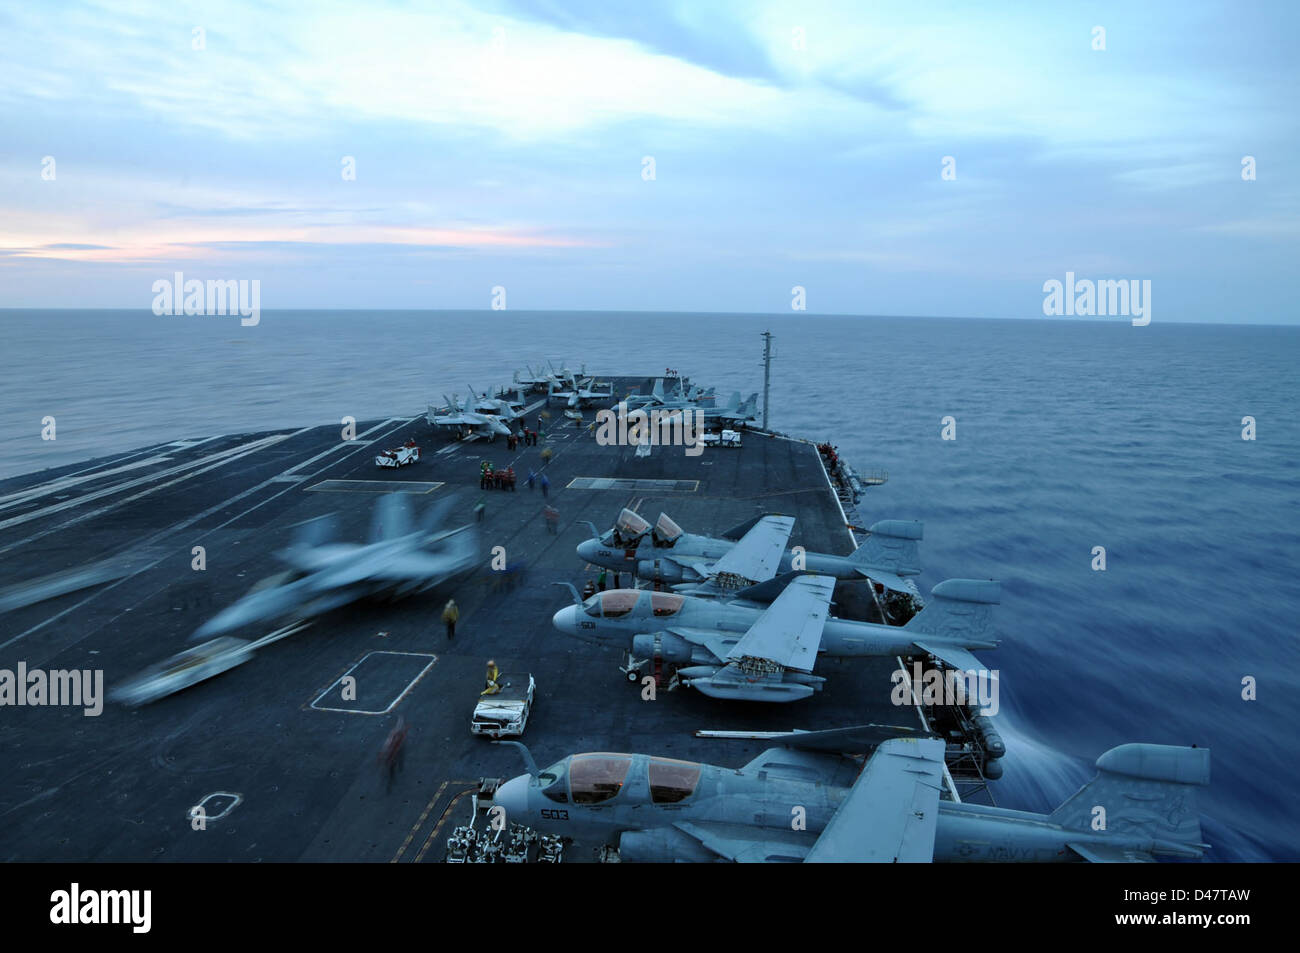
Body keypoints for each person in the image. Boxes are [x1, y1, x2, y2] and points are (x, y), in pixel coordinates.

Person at [379, 716, 408, 794]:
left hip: (393, 756)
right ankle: (392, 779)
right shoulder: (397, 737)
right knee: (394, 767)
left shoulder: (394, 736)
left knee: (393, 768)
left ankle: (391, 779)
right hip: (394, 756)